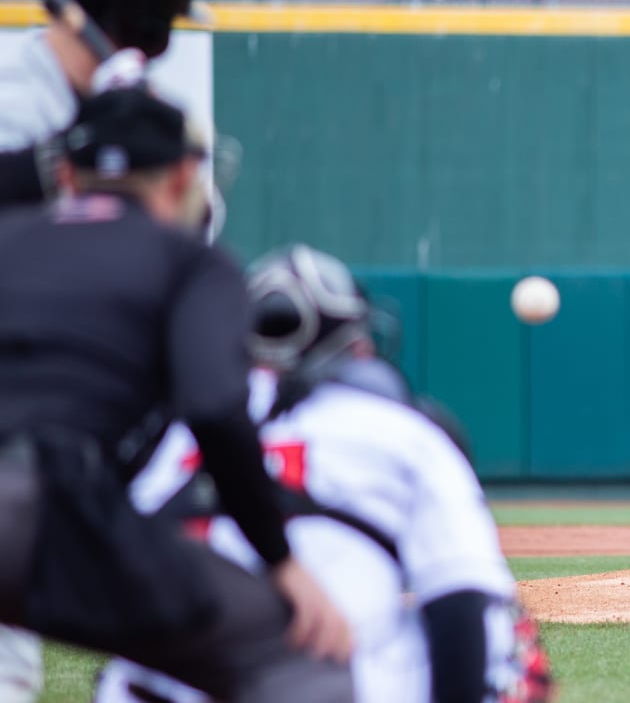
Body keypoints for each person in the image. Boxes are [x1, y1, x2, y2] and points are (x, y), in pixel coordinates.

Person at [0, 87, 354, 699]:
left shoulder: (8, 236)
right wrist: (279, 558)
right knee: (298, 654)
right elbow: (215, 407)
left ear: (63, 174)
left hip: (40, 506)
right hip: (37, 505)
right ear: (185, 175)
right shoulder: (191, 260)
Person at [95, 244, 554, 703]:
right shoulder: (404, 431)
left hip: (169, 678)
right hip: (325, 674)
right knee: (504, 634)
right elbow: (460, 602)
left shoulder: (175, 435)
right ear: (354, 342)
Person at [0, 0, 206, 208]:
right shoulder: (12, 99)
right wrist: (72, 152)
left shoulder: (131, 106)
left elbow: (194, 227)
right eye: (155, 32)